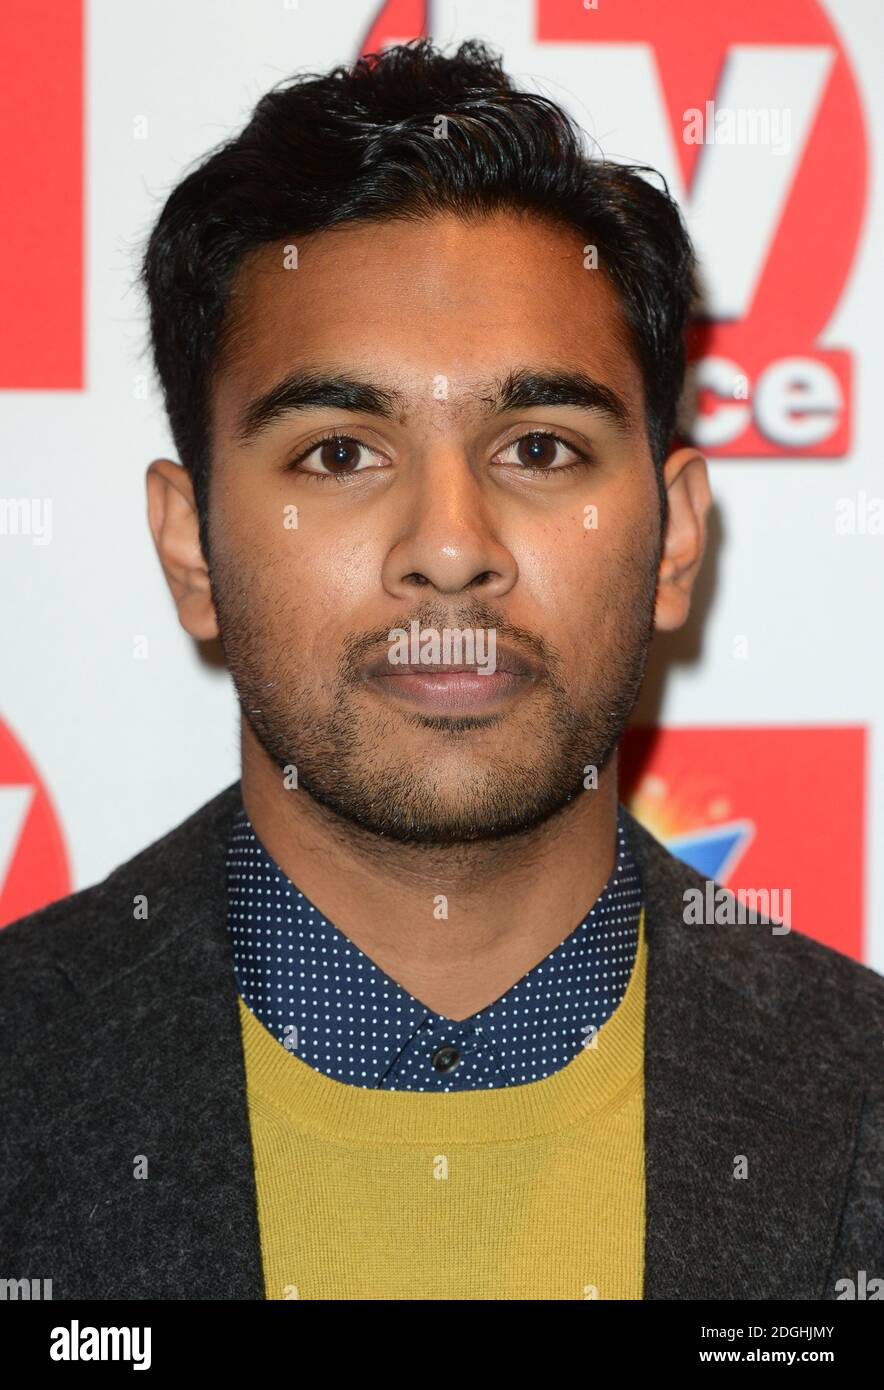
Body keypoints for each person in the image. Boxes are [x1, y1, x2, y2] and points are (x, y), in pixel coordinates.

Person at [1, 38, 881, 1302]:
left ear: (674, 537)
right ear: (190, 550)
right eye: (338, 454)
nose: (452, 548)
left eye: (537, 445)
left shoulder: (859, 1091)